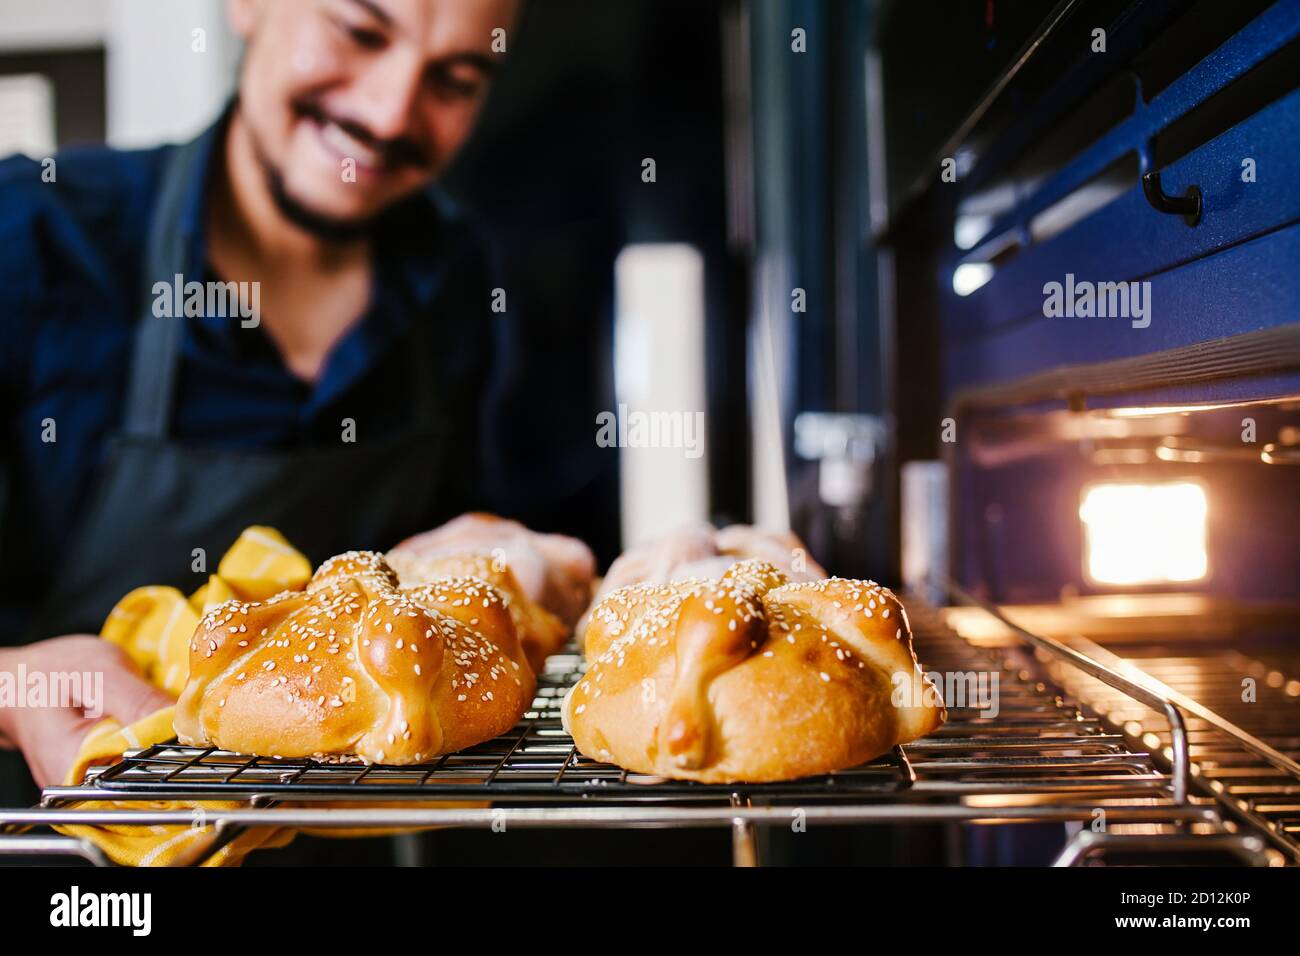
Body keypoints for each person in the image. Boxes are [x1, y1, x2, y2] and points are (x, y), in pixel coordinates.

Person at [0, 0, 596, 796]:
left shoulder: (466, 282)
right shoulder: (32, 237)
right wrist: (16, 687)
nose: (389, 113)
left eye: (454, 79)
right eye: (358, 31)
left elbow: (526, 595)